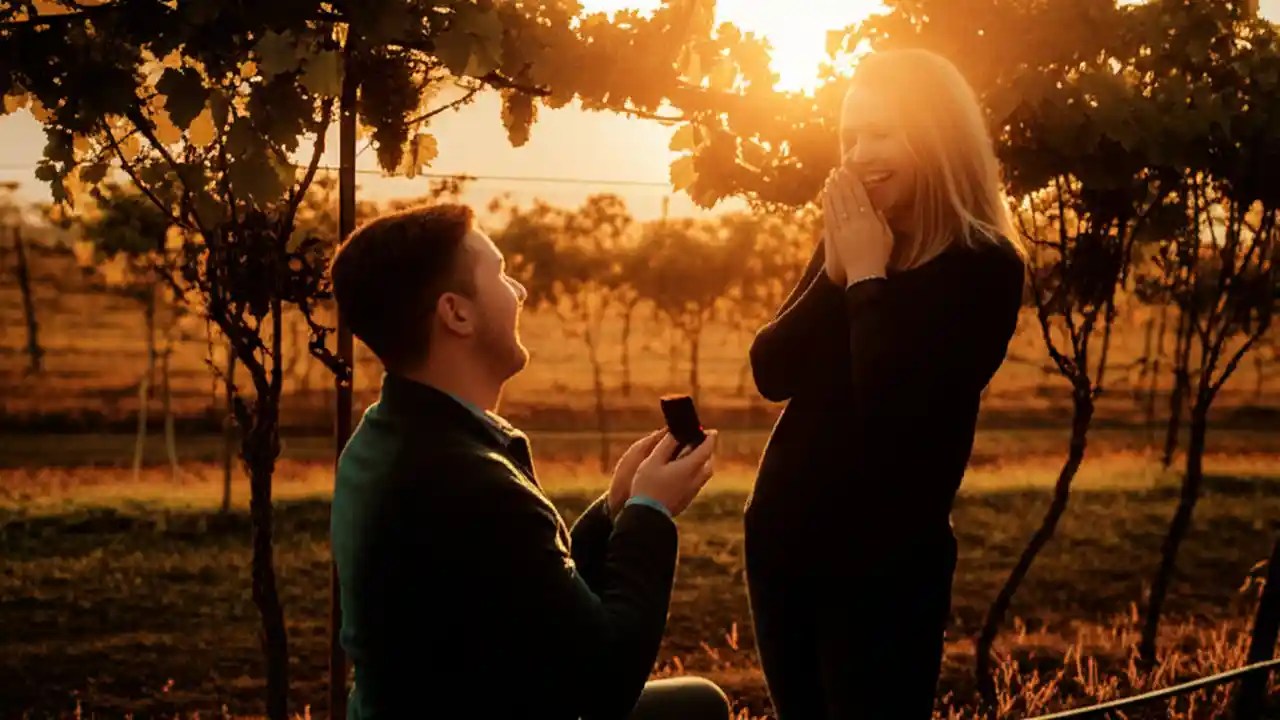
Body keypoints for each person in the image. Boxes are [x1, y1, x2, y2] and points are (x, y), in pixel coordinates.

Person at [328, 204, 731, 720]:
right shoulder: (470, 481)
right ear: (457, 313)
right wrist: (650, 513)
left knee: (694, 704)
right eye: (500, 273)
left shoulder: (380, 439)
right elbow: (605, 679)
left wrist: (615, 509)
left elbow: (532, 590)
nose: (519, 290)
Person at [743, 48, 1028, 719]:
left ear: (936, 136)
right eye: (849, 137)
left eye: (882, 132)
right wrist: (838, 276)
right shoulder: (856, 235)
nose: (860, 153)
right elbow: (771, 371)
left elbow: (894, 418)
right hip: (785, 545)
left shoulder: (982, 266)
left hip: (883, 571)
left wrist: (869, 280)